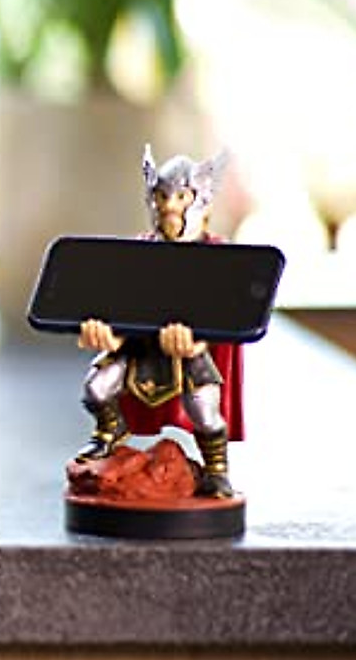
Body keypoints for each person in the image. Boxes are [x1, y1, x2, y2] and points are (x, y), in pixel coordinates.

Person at [74, 146, 244, 497]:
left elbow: (225, 313)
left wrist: (197, 340)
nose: (169, 207)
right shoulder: (139, 251)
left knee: (205, 413)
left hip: (191, 353)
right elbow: (122, 304)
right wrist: (108, 335)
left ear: (199, 199)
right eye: (163, 196)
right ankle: (109, 431)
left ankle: (216, 470)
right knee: (97, 387)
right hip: (140, 347)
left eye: (180, 197)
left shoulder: (217, 256)